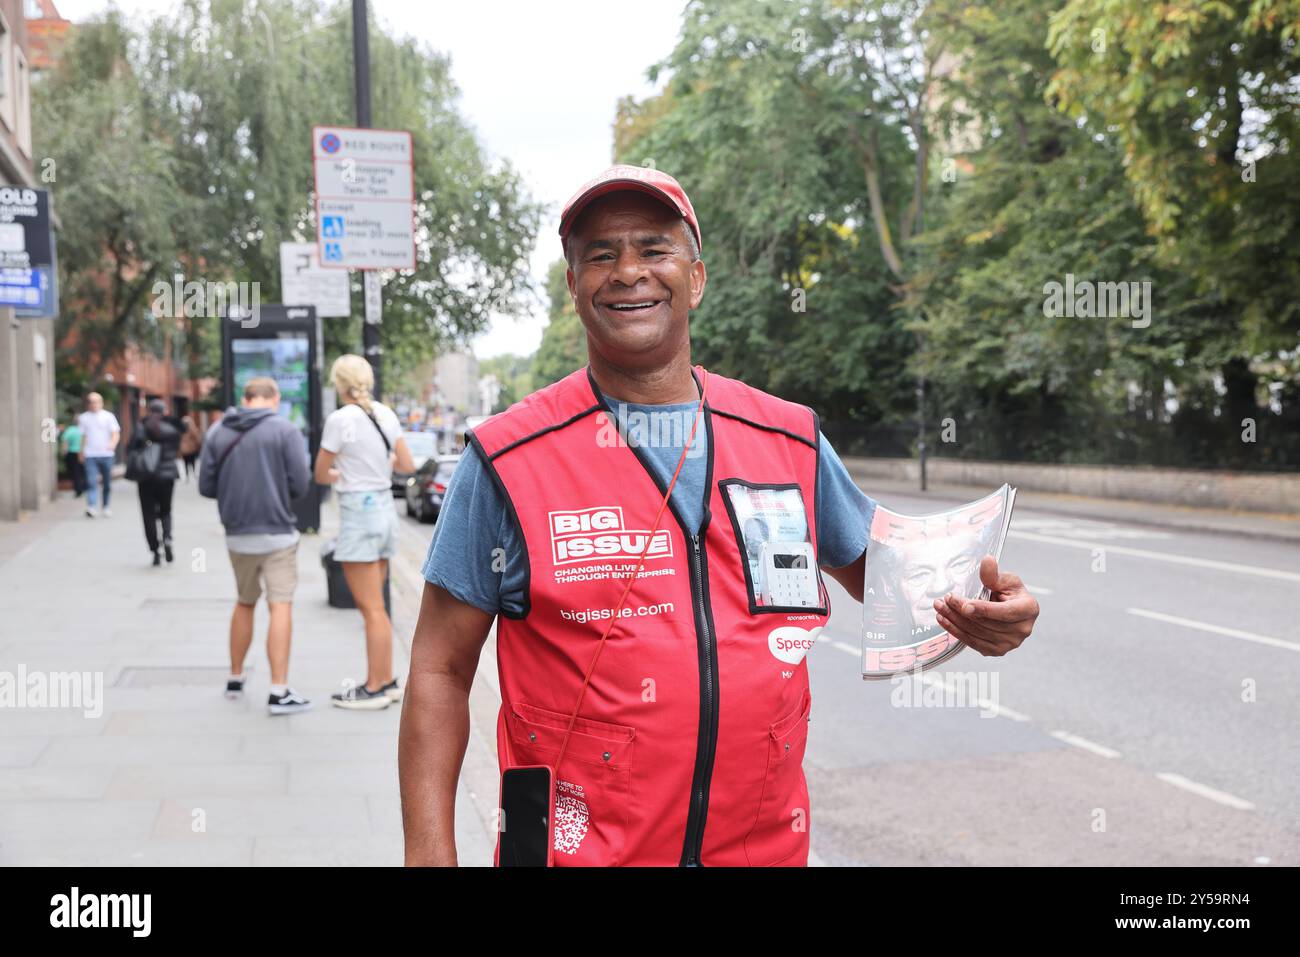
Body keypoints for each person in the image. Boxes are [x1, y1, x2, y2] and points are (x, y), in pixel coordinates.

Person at [398, 166, 1042, 868]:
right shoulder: (507, 457)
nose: (628, 273)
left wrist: (986, 612)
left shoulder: (788, 438)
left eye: (653, 249)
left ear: (695, 279)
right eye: (601, 255)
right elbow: (439, 669)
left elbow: (890, 582)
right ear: (573, 286)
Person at [199, 377, 313, 715]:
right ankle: (279, 691)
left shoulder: (218, 432)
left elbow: (205, 486)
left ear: (245, 399)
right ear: (274, 398)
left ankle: (235, 678)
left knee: (245, 602)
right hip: (277, 532)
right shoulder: (285, 430)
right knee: (280, 606)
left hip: (236, 533)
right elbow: (302, 483)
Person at [315, 354, 415, 711]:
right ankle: (386, 681)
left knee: (370, 608)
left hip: (359, 511)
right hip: (386, 509)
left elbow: (320, 472)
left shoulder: (340, 419)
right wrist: (376, 467)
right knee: (380, 605)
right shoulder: (385, 415)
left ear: (339, 384)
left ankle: (373, 687)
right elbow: (406, 465)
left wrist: (342, 474)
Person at [127, 399, 182, 565]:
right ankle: (167, 537)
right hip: (168, 476)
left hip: (146, 477)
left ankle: (155, 550)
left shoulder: (142, 427)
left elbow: (131, 448)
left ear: (149, 410)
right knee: (166, 510)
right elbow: (177, 449)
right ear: (165, 411)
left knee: (148, 514)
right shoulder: (172, 429)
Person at [78, 392, 120, 517]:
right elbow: (83, 436)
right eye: (91, 401)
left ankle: (106, 506)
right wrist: (81, 452)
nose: (93, 404)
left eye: (95, 401)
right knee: (91, 481)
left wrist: (112, 444)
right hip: (90, 454)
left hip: (106, 454)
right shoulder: (83, 418)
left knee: (107, 482)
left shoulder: (108, 416)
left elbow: (115, 433)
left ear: (101, 403)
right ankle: (91, 506)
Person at [60, 419, 85, 497]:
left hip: (72, 453)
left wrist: (64, 451)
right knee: (81, 472)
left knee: (74, 473)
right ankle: (82, 488)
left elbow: (65, 441)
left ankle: (78, 489)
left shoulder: (70, 430)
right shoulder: (83, 430)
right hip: (83, 453)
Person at [179, 414, 203, 481]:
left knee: (186, 462)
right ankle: (192, 474)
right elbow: (197, 438)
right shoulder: (192, 429)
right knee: (191, 462)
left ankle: (188, 475)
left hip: (185, 449)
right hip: (191, 449)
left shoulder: (182, 430)